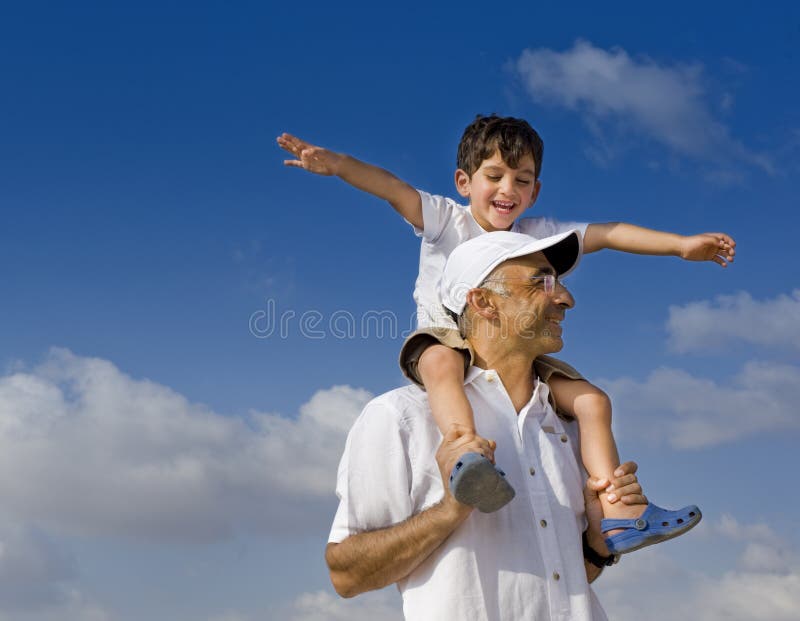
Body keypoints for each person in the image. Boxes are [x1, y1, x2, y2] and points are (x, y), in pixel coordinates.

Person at [277, 114, 727, 551]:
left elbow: (609, 233)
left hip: (513, 346)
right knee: (442, 362)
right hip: (445, 335)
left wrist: (681, 245)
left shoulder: (536, 236)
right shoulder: (445, 218)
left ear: (536, 190)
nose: (508, 189)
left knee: (592, 401)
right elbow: (392, 188)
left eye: (522, 180)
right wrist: (337, 164)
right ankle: (467, 457)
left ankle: (618, 512)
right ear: (463, 181)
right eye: (494, 176)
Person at [327, 231, 684, 620]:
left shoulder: (572, 428)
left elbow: (566, 580)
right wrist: (450, 510)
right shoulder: (399, 416)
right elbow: (346, 576)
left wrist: (597, 544)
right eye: (542, 282)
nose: (566, 299)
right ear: (483, 302)